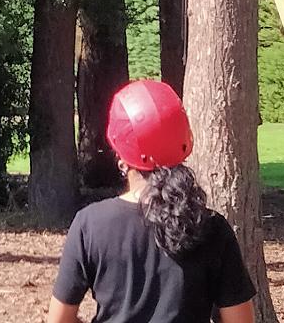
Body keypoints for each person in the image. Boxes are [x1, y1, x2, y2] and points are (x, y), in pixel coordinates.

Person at [47, 79, 256, 323]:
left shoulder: (90, 225)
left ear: (122, 159)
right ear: (184, 145)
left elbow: (59, 319)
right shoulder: (212, 227)